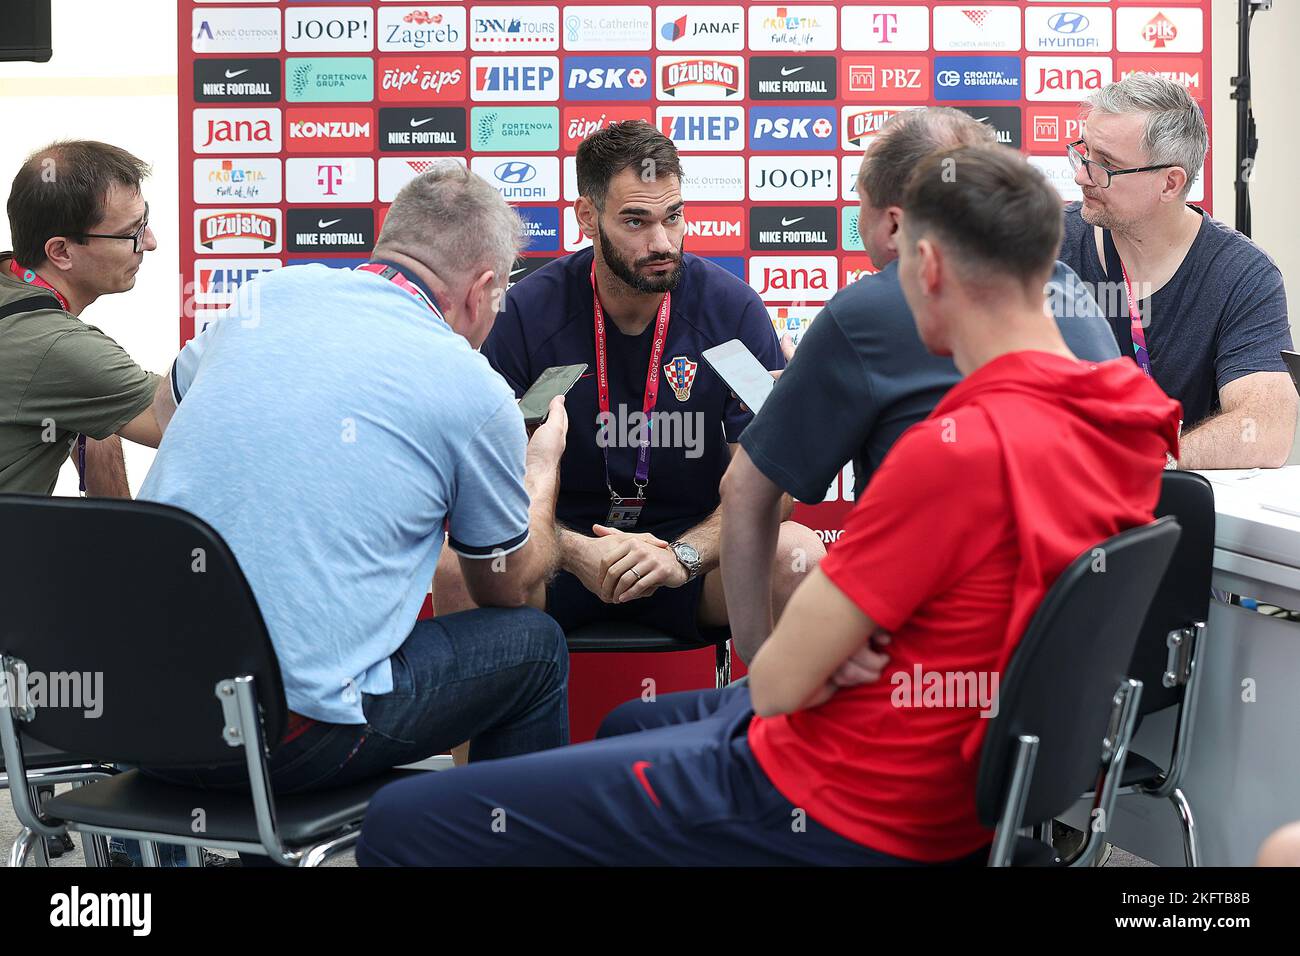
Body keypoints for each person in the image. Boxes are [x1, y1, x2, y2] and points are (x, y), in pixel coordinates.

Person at [355, 146, 1182, 867]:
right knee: (628, 729)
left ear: (927, 267)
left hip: (842, 792)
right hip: (963, 783)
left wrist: (838, 642)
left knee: (399, 819)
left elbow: (782, 679)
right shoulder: (1132, 421)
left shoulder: (953, 450)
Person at [138, 164, 570, 812]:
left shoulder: (272, 293)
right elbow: (501, 587)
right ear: (482, 289)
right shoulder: (473, 387)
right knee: (534, 648)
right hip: (285, 741)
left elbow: (167, 409)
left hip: (138, 718)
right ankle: (507, 843)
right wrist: (541, 470)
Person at [719, 107, 1121, 662]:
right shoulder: (1069, 289)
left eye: (859, 202)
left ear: (896, 226)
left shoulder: (868, 314)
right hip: (1068, 674)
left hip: (924, 675)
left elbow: (744, 493)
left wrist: (759, 663)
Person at [434, 120, 823, 647]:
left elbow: (774, 491)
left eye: (673, 217)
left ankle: (773, 708)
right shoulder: (526, 313)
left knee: (798, 554)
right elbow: (490, 486)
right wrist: (572, 551)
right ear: (587, 218)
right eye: (636, 221)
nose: (662, 243)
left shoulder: (732, 311)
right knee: (458, 568)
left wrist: (681, 556)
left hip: (690, 555)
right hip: (559, 557)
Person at [1059, 72, 1296, 469]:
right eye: (1085, 153)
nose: (1081, 175)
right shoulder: (1045, 247)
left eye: (1106, 165)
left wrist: (1150, 462)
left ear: (1170, 183)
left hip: (1171, 497)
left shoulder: (1243, 275)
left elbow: (1265, 429)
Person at [1, 140, 168, 497]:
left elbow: (86, 401)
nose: (149, 243)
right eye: (131, 233)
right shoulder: (57, 348)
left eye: (145, 222)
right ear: (61, 251)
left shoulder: (11, 282)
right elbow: (190, 423)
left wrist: (116, 527)